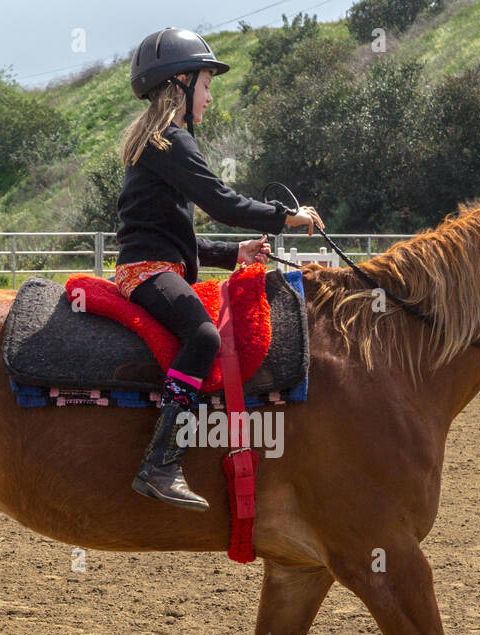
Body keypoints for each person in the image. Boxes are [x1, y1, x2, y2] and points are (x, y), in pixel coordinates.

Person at [117, 27, 325, 511]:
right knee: (203, 337)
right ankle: (161, 463)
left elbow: (170, 233)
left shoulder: (160, 142)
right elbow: (222, 202)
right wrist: (286, 217)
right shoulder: (172, 141)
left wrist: (235, 254)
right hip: (147, 271)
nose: (210, 97)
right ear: (181, 82)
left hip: (152, 263)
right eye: (206, 85)